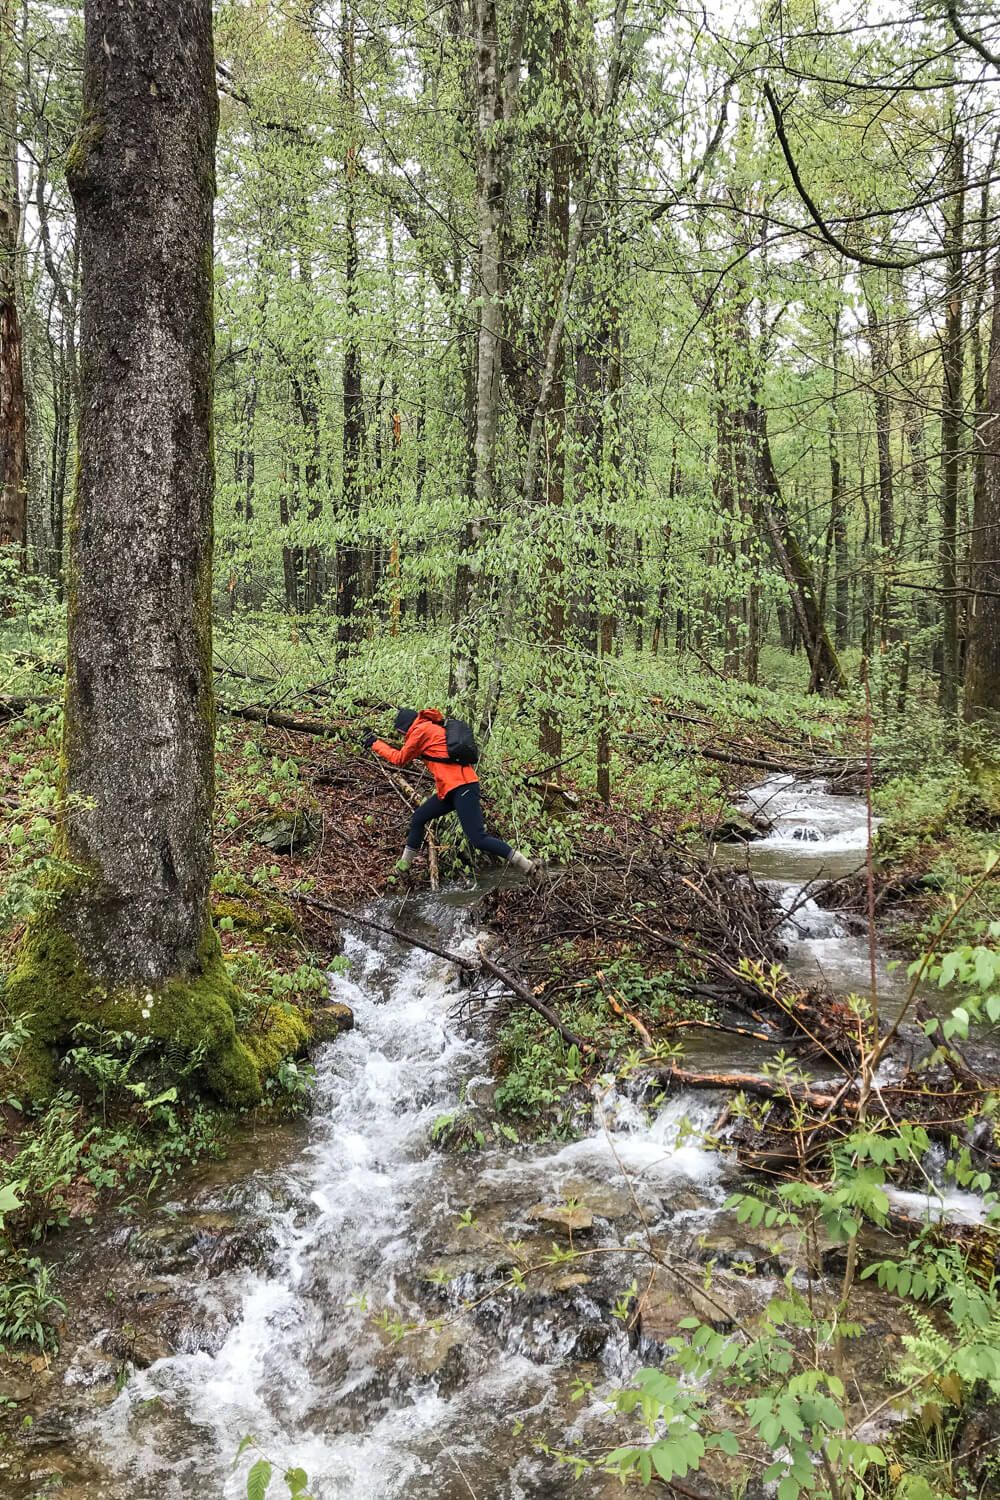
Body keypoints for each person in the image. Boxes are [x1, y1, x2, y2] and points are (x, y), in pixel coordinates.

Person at [363, 708, 536, 877]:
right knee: (418, 818)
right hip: (450, 789)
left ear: (405, 727)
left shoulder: (420, 731)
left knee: (478, 839)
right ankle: (402, 868)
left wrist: (375, 743)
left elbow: (399, 759)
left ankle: (526, 864)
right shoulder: (429, 727)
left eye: (401, 733)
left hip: (462, 787)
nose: (402, 737)